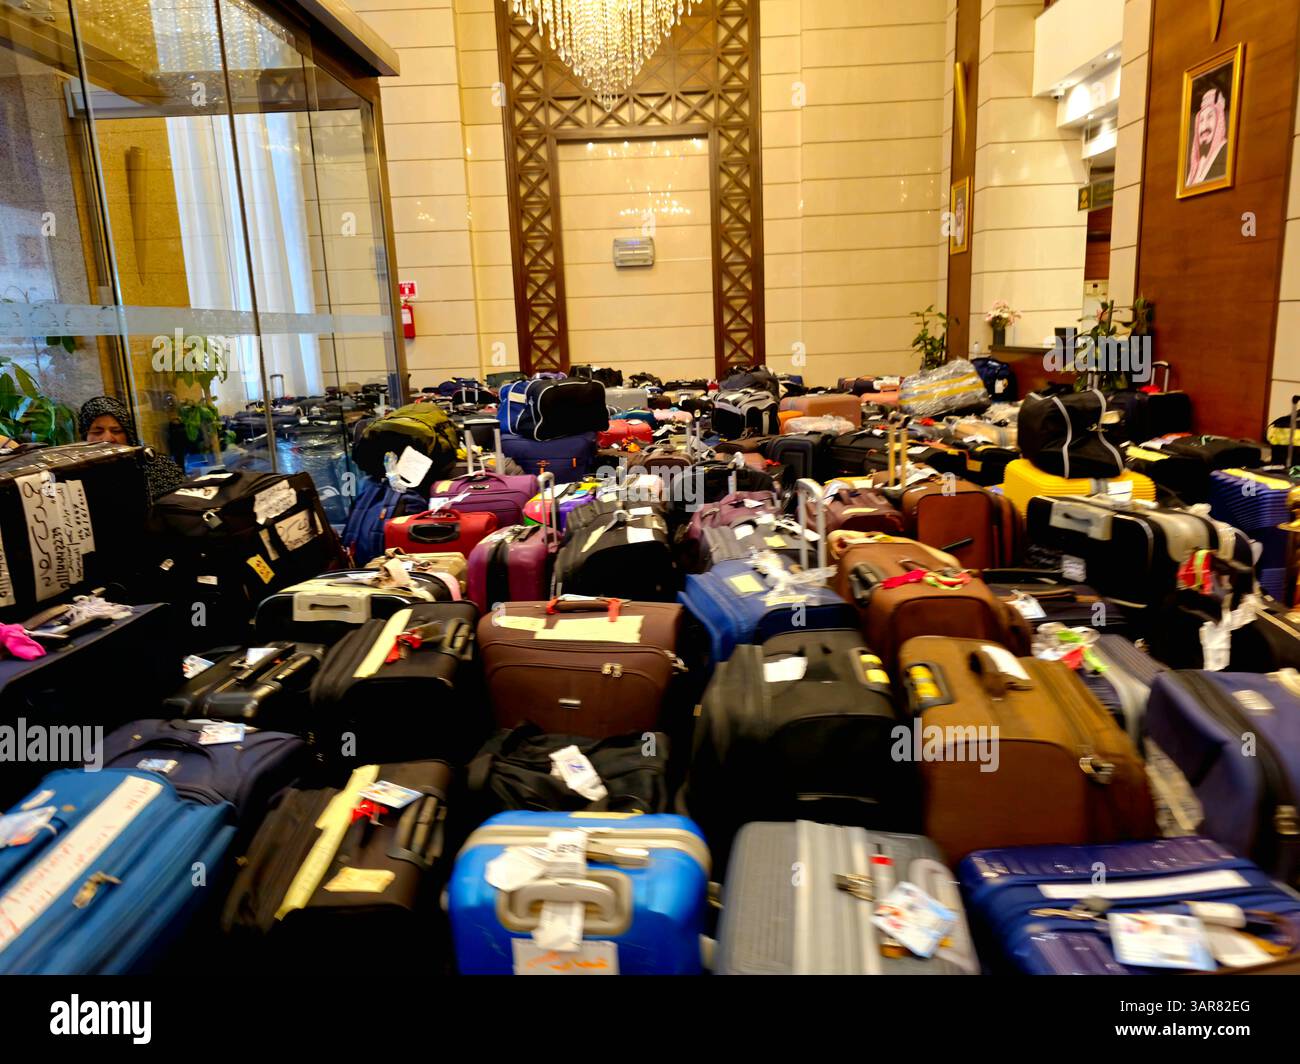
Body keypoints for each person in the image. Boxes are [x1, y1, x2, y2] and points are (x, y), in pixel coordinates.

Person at [79, 395, 186, 501]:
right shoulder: (76, 476)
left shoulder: (157, 467)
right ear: (85, 436)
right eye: (98, 432)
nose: (107, 438)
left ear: (128, 435)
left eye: (116, 431)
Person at [1186, 85, 1229, 188]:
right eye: (1201, 120)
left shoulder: (1225, 151)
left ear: (1219, 120)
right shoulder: (1197, 162)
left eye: (1210, 117)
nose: (1204, 126)